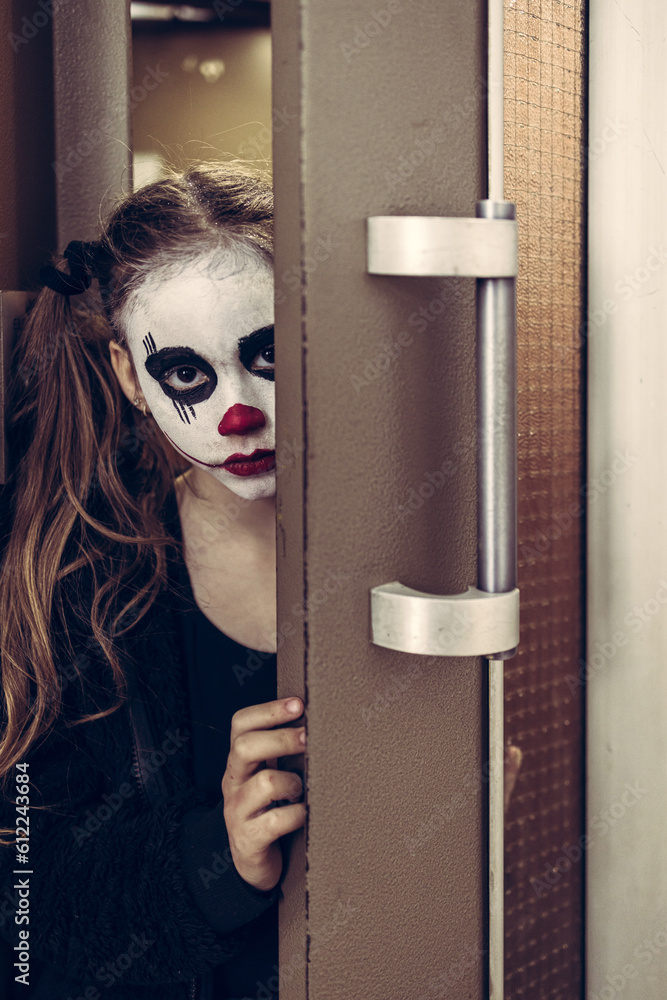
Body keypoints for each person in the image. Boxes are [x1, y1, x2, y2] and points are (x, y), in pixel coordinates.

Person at [0, 162, 306, 1000]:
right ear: (131, 377)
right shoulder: (75, 591)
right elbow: (25, 929)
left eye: (268, 354)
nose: (236, 412)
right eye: (185, 374)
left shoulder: (418, 568)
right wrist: (222, 858)